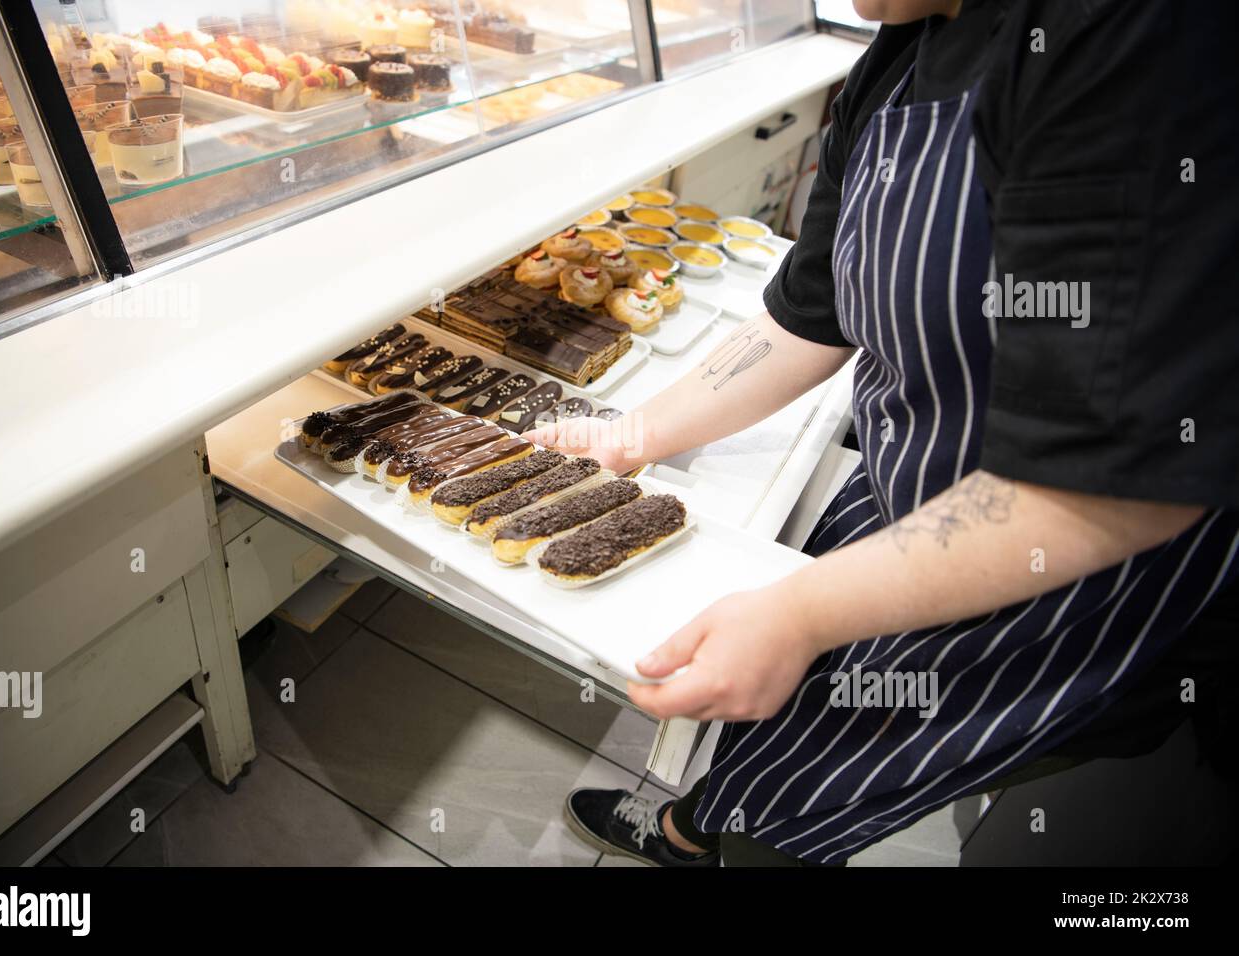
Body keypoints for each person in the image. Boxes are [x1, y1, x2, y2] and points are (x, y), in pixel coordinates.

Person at [527, 0, 1239, 866]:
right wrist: (637, 432)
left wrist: (800, 616)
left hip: (1076, 581)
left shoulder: (1133, 42)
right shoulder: (904, 48)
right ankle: (697, 828)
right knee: (786, 718)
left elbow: (1111, 481)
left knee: (822, 774)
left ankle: (715, 844)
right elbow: (812, 315)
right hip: (915, 487)